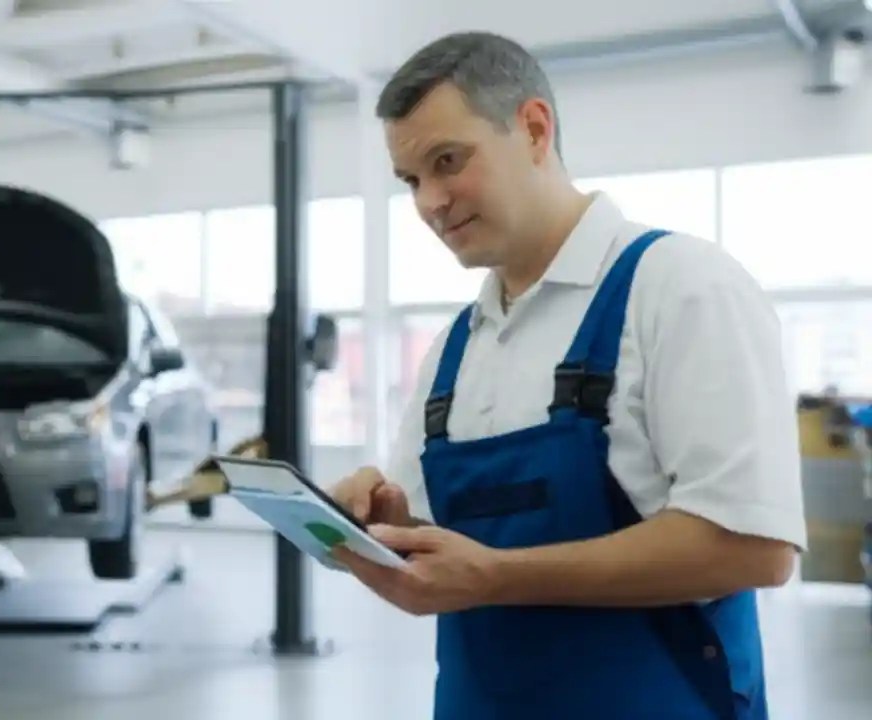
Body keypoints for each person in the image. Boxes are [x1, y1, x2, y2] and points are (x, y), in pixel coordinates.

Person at [328, 32, 805, 719]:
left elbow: (753, 549)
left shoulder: (681, 288)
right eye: (411, 181)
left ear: (533, 129)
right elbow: (435, 561)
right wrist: (382, 528)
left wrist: (496, 577)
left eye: (447, 161)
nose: (430, 201)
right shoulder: (457, 347)